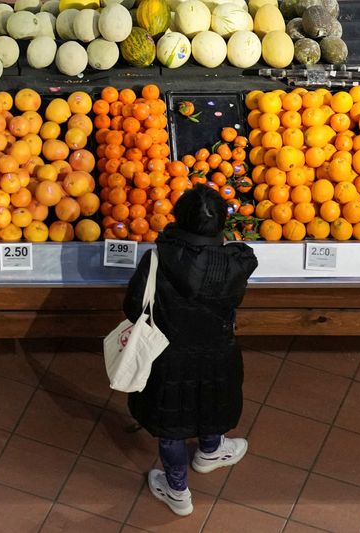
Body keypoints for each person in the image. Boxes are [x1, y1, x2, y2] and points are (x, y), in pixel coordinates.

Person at [122, 184, 258, 516]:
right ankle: (211, 451)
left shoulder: (158, 259)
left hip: (168, 358)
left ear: (177, 219)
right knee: (213, 402)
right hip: (218, 353)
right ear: (221, 227)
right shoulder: (237, 263)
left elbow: (134, 307)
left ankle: (177, 491)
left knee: (171, 425)